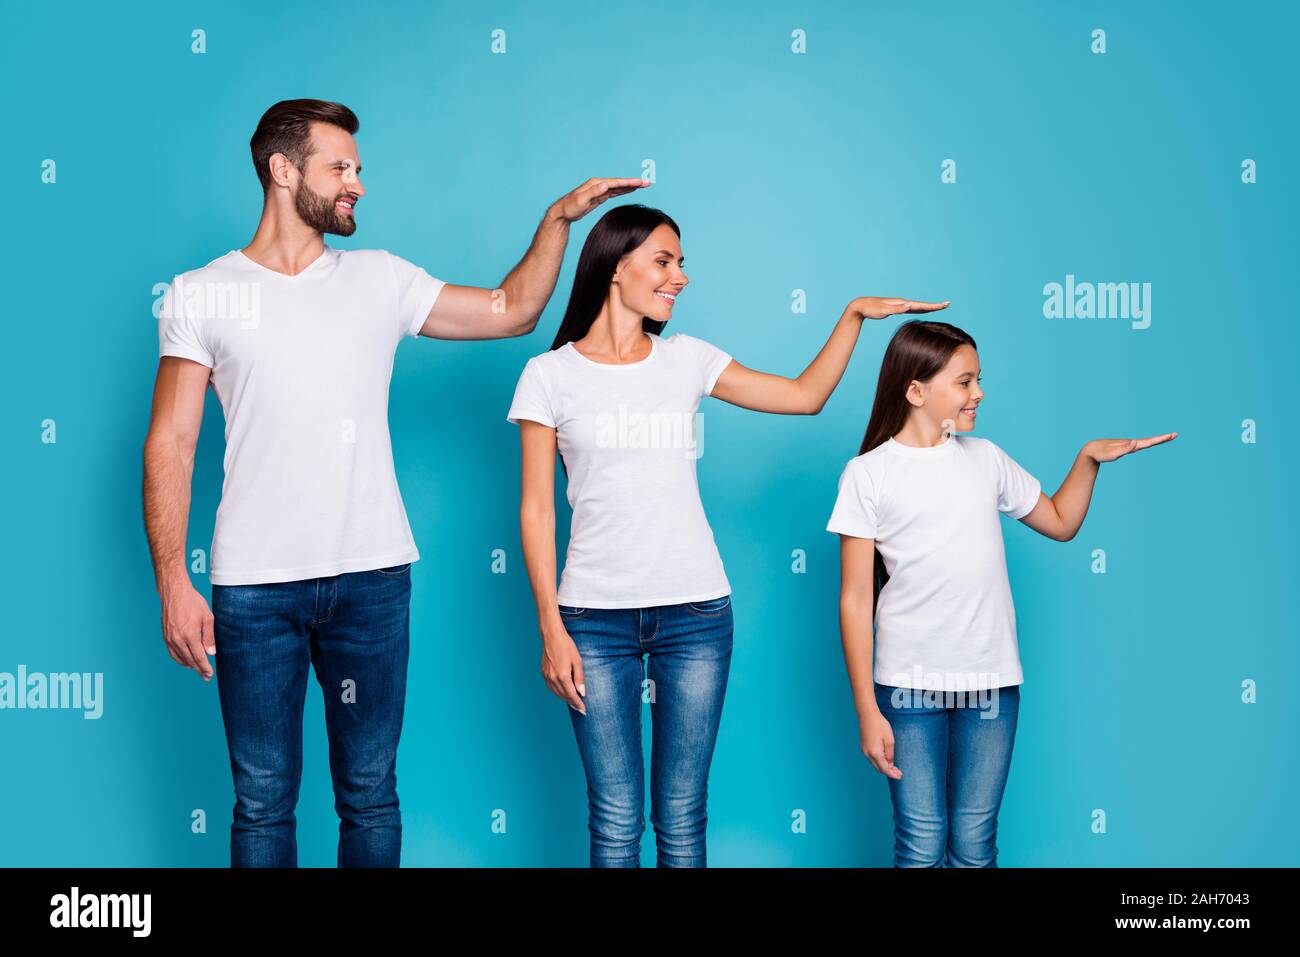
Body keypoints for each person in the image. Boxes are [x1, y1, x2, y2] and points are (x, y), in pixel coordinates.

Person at [141, 97, 649, 866]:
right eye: (339, 167)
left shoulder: (380, 280)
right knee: (262, 802)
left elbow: (511, 311)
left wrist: (558, 220)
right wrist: (173, 578)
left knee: (371, 794)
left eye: (359, 169)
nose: (358, 184)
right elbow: (172, 441)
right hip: (253, 587)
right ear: (283, 171)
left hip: (371, 580)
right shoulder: (202, 292)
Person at [507, 202, 948, 866]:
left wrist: (853, 315)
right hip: (592, 621)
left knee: (681, 818)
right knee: (616, 820)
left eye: (681, 264)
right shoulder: (550, 376)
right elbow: (536, 510)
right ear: (614, 266)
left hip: (695, 614)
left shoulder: (687, 359)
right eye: (664, 261)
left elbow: (804, 396)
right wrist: (551, 626)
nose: (679, 277)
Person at [827, 318, 1177, 866]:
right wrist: (867, 710)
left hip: (991, 684)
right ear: (916, 391)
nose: (979, 393)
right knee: (919, 845)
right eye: (965, 382)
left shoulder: (985, 458)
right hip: (906, 689)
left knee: (974, 844)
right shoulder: (867, 475)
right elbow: (854, 600)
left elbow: (1061, 522)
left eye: (978, 379)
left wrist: (1087, 459)